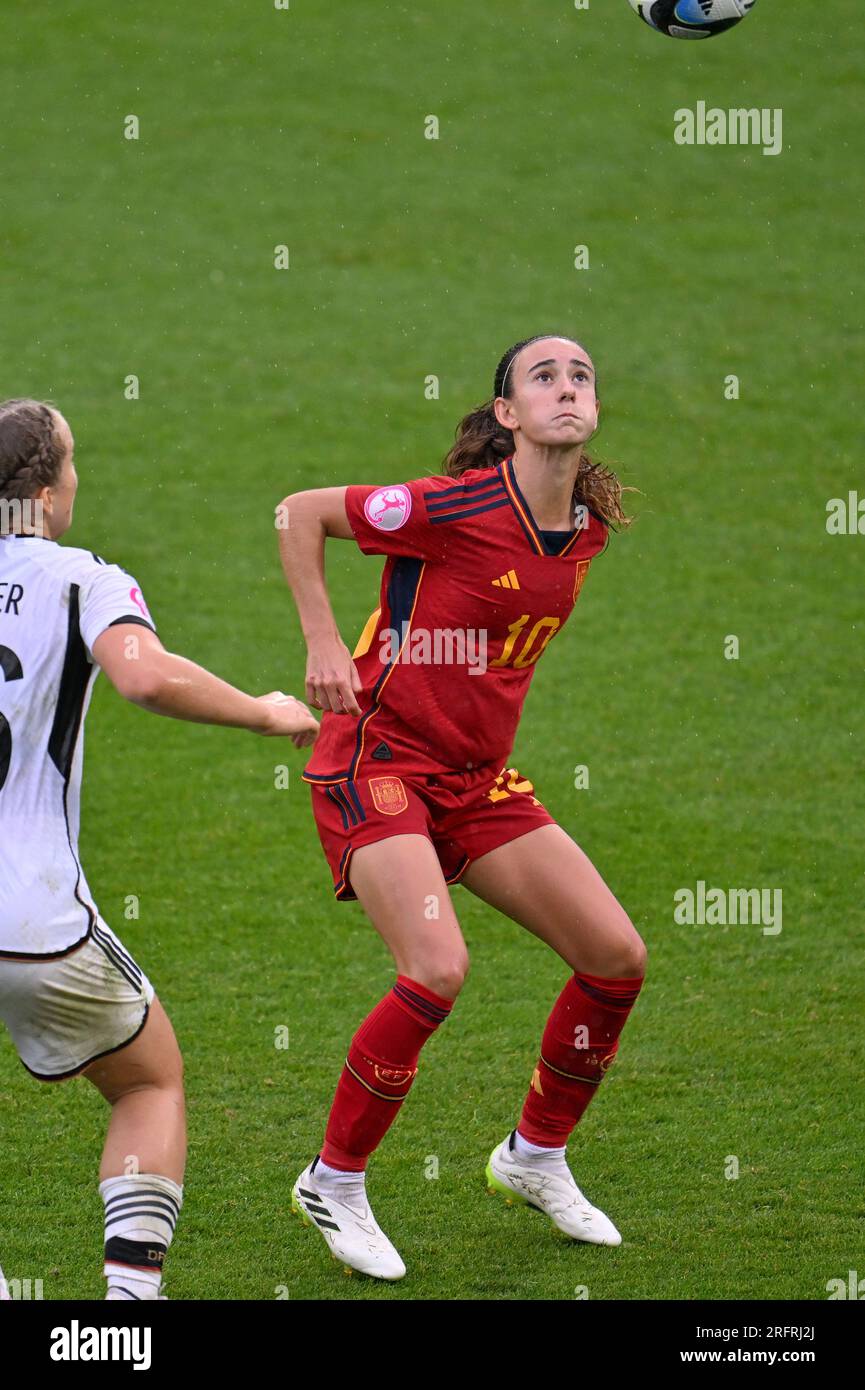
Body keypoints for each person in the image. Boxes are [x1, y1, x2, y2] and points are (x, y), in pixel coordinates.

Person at [277, 334, 647, 1281]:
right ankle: (334, 1178)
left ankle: (533, 1157)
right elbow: (299, 513)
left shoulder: (588, 530)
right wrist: (325, 643)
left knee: (615, 959)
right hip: (377, 756)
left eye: (581, 376)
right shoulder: (450, 506)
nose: (567, 386)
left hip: (476, 779)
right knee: (437, 967)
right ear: (508, 417)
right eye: (544, 377)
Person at [0, 399, 318, 1300]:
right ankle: (128, 1314)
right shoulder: (80, 577)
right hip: (31, 919)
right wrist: (263, 711)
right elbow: (141, 673)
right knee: (149, 1082)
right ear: (53, 491)